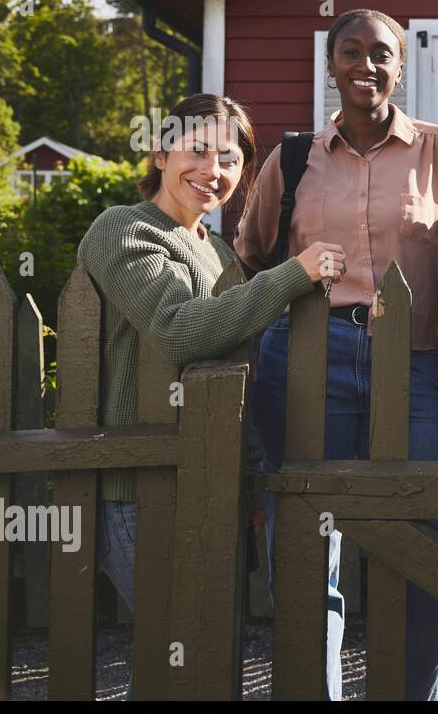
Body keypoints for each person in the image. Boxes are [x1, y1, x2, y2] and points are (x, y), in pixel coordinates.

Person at [236, 8, 438, 701]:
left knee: (429, 533)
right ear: (331, 64)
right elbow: (248, 260)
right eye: (352, 52)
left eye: (382, 54)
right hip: (306, 364)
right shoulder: (292, 160)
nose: (367, 66)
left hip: (416, 364)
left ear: (401, 67)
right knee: (309, 543)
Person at [78, 94, 343, 649]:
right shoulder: (125, 229)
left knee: (203, 653)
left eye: (229, 159)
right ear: (159, 152)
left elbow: (235, 366)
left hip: (209, 481)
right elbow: (180, 331)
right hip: (136, 487)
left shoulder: (218, 251)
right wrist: (291, 276)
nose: (212, 171)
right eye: (196, 151)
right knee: (183, 647)